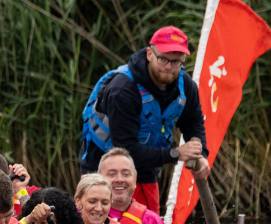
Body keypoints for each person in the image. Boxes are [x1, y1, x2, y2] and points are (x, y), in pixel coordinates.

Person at [79, 26, 211, 214]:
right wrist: (175, 154)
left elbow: (194, 122)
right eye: (163, 59)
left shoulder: (186, 86)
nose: (169, 66)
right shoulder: (123, 89)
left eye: (176, 62)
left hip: (144, 167)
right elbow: (125, 150)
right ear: (149, 54)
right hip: (102, 167)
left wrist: (201, 152)